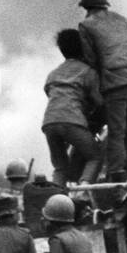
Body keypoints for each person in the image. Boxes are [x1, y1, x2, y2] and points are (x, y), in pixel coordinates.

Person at [77, 0, 127, 185]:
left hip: (116, 83)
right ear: (104, 3)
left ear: (86, 5)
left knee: (116, 130)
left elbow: (90, 60)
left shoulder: (86, 25)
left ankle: (117, 174)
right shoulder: (123, 20)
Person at [42, 28, 104, 187]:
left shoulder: (53, 74)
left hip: (49, 122)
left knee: (60, 166)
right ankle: (84, 189)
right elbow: (99, 101)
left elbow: (50, 93)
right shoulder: (88, 72)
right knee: (94, 156)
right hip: (72, 120)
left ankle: (57, 200)